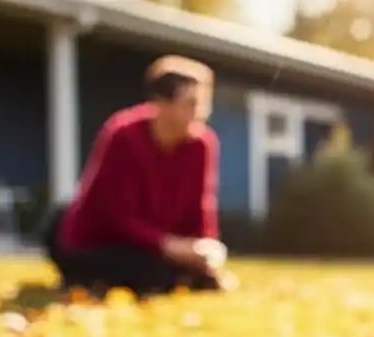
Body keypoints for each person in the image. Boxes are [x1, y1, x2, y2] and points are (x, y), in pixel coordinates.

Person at [43, 55, 233, 297]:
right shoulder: (124, 135)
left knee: (186, 277)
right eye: (191, 103)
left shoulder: (202, 145)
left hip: (155, 246)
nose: (201, 114)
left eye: (204, 104)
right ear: (161, 103)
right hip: (100, 242)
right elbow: (115, 215)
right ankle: (80, 275)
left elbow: (201, 205)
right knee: (156, 276)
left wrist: (205, 248)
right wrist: (168, 246)